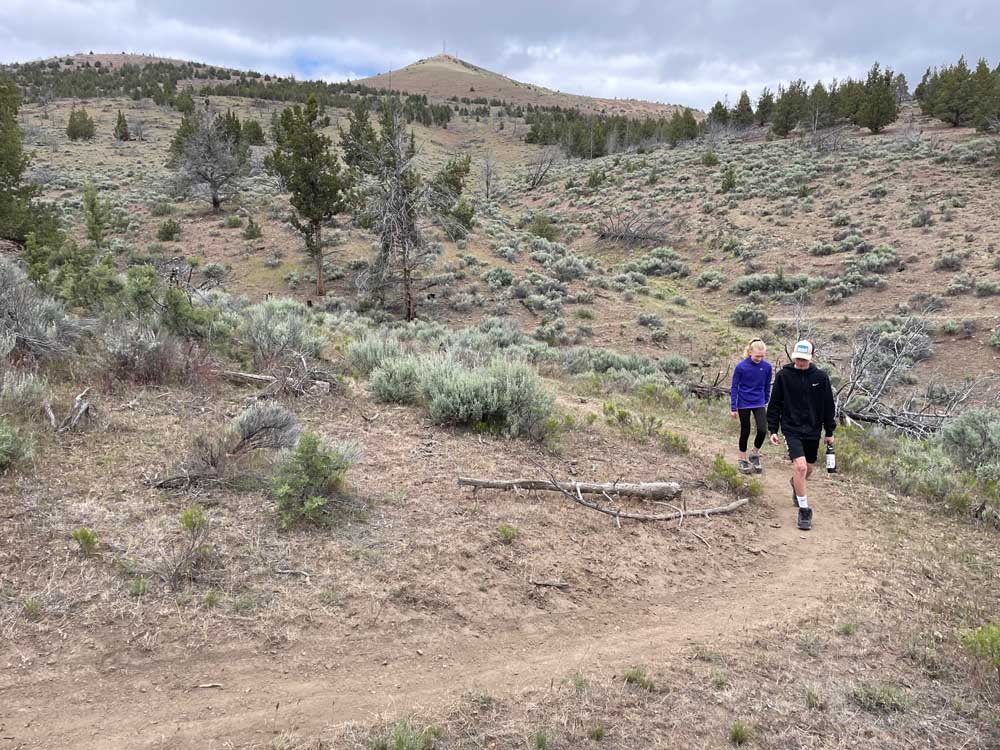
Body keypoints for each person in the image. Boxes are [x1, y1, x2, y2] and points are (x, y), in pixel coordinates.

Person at [766, 340, 836, 531]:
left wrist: (829, 431)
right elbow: (774, 405)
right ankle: (804, 511)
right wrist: (773, 429)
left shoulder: (821, 377)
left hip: (813, 430)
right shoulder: (783, 376)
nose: (801, 362)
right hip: (791, 428)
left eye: (804, 359)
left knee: (809, 468)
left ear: (812, 357)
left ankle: (796, 485)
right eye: (798, 358)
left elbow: (828, 406)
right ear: (793, 356)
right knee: (801, 467)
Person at [729, 338, 772, 475]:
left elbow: (767, 385)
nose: (759, 358)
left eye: (762, 356)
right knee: (745, 430)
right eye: (757, 356)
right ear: (749, 352)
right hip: (744, 402)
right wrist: (733, 407)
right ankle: (742, 458)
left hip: (759, 401)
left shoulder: (767, 367)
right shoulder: (741, 367)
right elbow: (734, 387)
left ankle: (754, 453)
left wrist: (765, 400)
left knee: (762, 429)